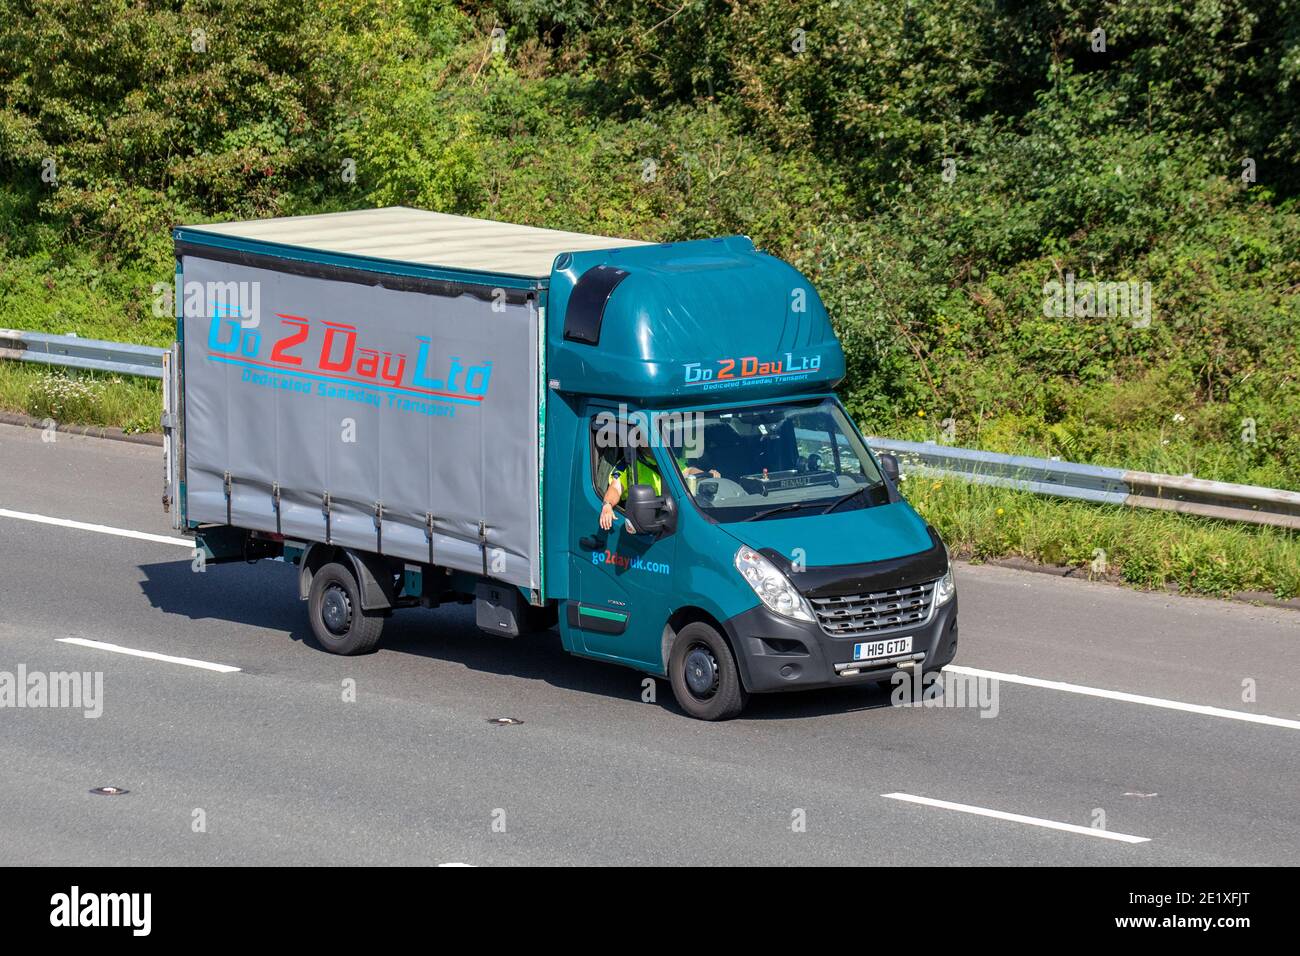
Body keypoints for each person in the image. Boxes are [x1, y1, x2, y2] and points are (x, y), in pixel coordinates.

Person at [598, 441, 719, 530]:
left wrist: (707, 475)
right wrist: (607, 505)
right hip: (645, 520)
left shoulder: (665, 459)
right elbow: (615, 487)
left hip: (672, 515)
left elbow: (687, 471)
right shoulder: (628, 464)